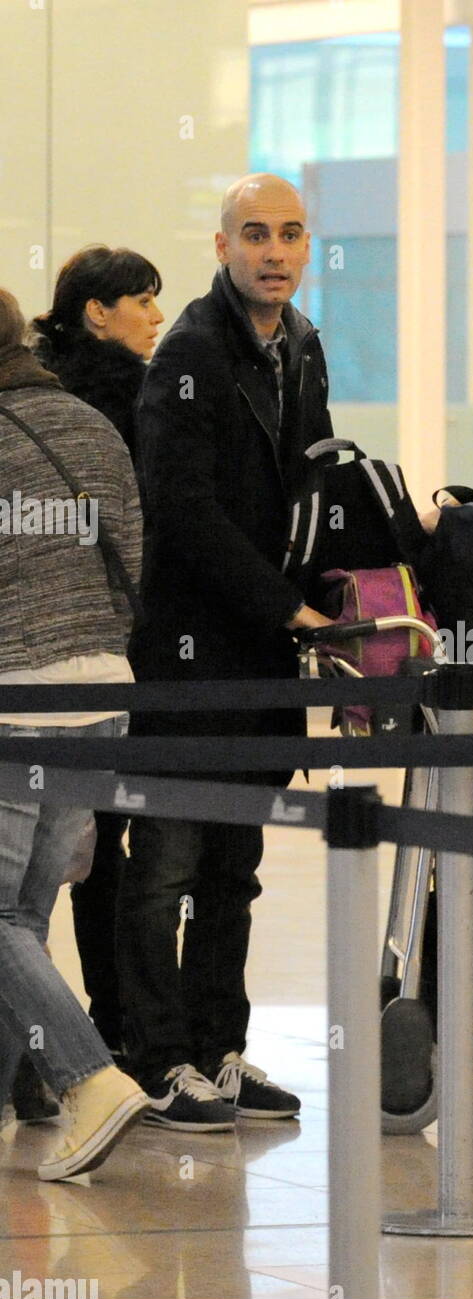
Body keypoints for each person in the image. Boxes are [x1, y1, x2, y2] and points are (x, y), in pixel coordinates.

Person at [116, 173, 335, 1131]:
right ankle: (154, 1056)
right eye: (256, 234)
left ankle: (220, 1050)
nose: (275, 252)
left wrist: (352, 583)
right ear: (222, 246)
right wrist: (287, 607)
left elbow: (318, 484)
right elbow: (183, 512)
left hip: (262, 652)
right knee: (165, 860)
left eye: (290, 234)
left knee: (233, 868)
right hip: (189, 652)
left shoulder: (302, 345)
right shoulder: (189, 353)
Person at [0, 286, 148, 1179]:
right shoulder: (91, 420)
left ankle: (91, 1079)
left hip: (12, 696)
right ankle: (33, 1093)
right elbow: (132, 550)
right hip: (101, 688)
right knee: (23, 913)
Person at [32, 245, 165, 1064]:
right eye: (143, 300)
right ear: (97, 312)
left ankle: (40, 1051)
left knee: (43, 868)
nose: (155, 316)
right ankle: (105, 1032)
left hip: (41, 662)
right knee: (97, 855)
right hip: (108, 658)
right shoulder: (120, 408)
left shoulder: (42, 393)